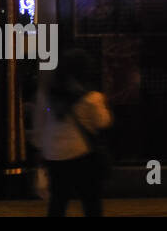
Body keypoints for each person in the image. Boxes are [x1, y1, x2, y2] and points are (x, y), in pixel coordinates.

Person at [33, 49, 111, 218]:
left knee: (58, 201)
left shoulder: (46, 95)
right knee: (91, 201)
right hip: (82, 154)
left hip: (54, 155)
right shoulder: (91, 97)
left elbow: (40, 125)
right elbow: (102, 122)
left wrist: (42, 150)